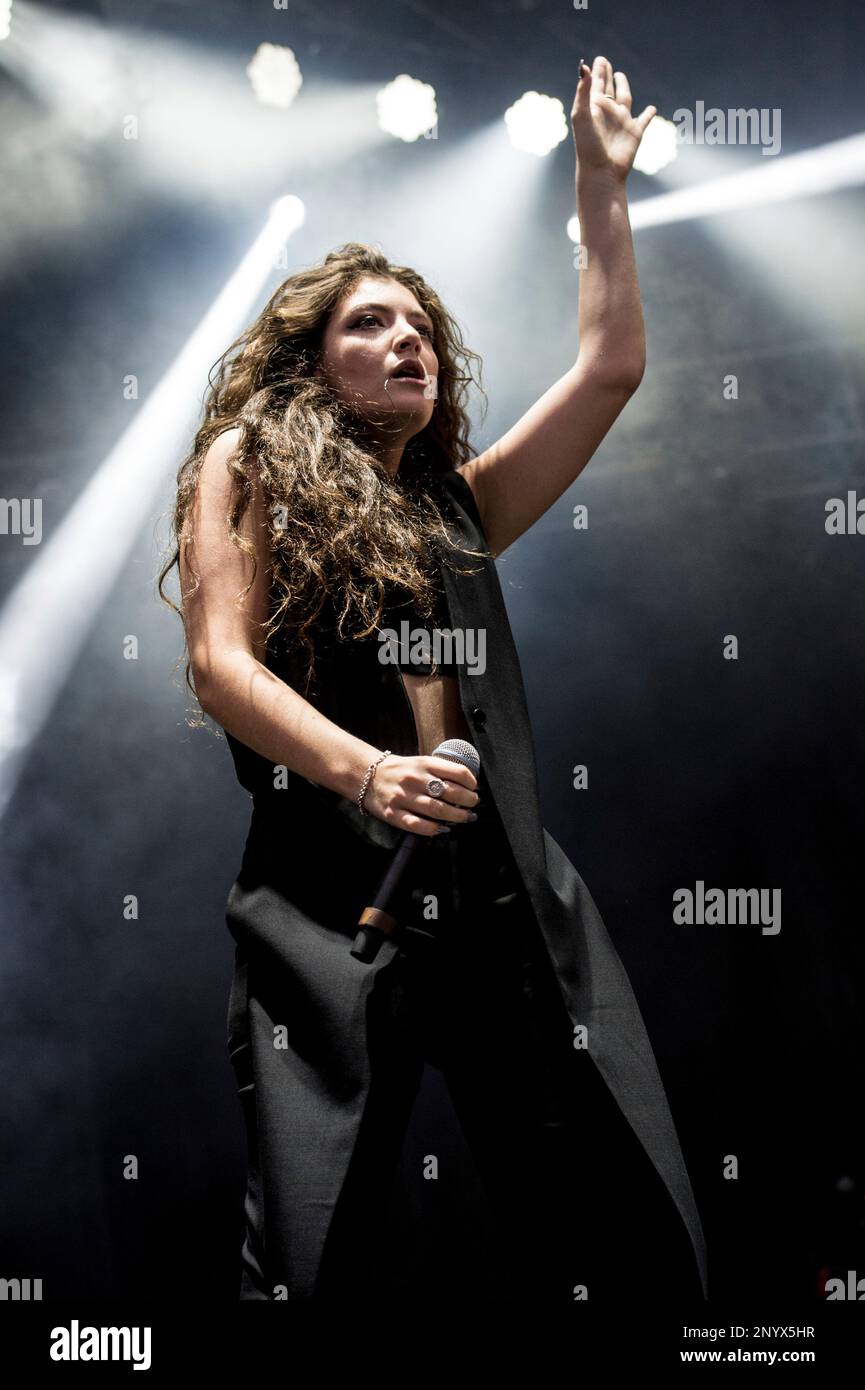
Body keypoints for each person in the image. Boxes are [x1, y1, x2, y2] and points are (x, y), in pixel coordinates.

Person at [159, 56, 708, 1304]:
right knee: (315, 1242)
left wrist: (597, 190)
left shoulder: (454, 505)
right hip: (329, 889)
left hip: (501, 894)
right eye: (369, 323)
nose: (407, 339)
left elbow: (609, 370)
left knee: (615, 1210)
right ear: (308, 363)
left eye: (418, 327)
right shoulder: (242, 460)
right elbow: (217, 661)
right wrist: (369, 772)